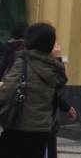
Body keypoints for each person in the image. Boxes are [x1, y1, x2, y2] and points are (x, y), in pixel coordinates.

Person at [0, 22, 65, 158]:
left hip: (19, 127)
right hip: (42, 129)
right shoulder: (53, 67)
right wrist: (58, 58)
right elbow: (61, 82)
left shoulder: (23, 62)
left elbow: (5, 93)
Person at [46, 40, 76, 158]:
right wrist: (58, 59)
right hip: (43, 123)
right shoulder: (42, 65)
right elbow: (59, 82)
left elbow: (53, 90)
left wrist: (66, 107)